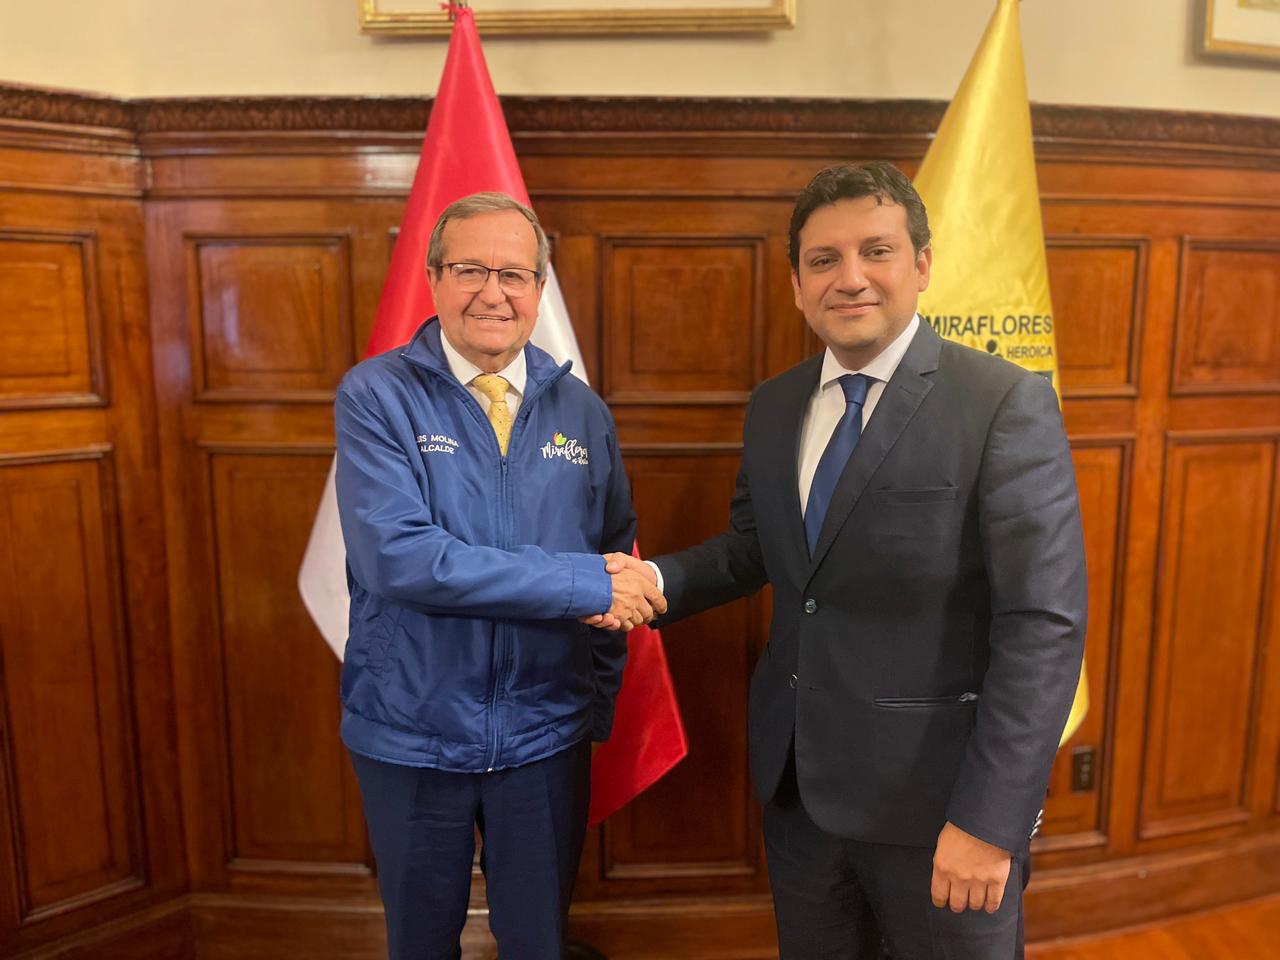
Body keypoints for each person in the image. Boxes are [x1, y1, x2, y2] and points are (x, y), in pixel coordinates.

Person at [592, 161, 1087, 958]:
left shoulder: (1002, 402)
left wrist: (989, 821)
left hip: (941, 811)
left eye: (876, 252)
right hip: (801, 797)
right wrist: (655, 581)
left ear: (922, 266)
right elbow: (761, 549)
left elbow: (1044, 627)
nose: (850, 278)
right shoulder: (775, 405)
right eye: (824, 259)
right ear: (796, 283)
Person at [335, 191, 664, 960]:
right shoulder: (376, 395)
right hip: (412, 736)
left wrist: (597, 705)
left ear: (540, 290)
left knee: (538, 944)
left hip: (546, 738)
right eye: (470, 269)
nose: (493, 292)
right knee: (419, 944)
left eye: (514, 273)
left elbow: (617, 557)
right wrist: (584, 585)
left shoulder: (582, 412)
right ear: (433, 278)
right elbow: (403, 560)